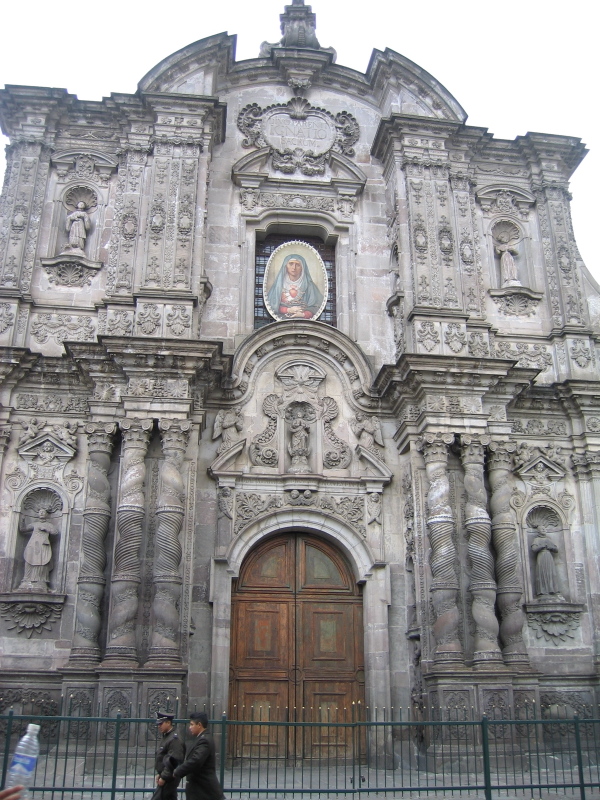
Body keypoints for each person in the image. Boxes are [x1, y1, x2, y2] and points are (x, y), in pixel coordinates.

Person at [173, 712, 225, 800]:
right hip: (199, 790)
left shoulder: (204, 740)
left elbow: (196, 761)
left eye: (192, 724)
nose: (189, 727)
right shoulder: (200, 738)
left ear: (199, 725)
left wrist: (177, 771)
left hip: (205, 790)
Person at [266, 253, 324, 320]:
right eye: (291, 264)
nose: (294, 268)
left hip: (304, 322)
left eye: (298, 265)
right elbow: (271, 305)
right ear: (286, 266)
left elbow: (317, 306)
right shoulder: (278, 285)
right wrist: (287, 310)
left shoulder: (310, 286)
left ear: (302, 267)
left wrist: (303, 314)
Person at [19, 508, 59, 591]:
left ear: (47, 514)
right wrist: (22, 520)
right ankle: (27, 579)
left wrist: (46, 529)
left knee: (42, 562)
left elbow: (55, 532)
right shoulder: (35, 524)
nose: (41, 513)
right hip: (33, 545)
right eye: (40, 512)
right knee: (29, 560)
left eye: (43, 512)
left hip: (43, 546)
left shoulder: (49, 525)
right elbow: (23, 529)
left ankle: (41, 580)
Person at [153, 711, 184, 800]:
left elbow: (174, 760)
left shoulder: (174, 739)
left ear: (168, 723)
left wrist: (164, 777)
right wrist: (160, 774)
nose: (159, 726)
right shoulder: (167, 736)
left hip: (169, 778)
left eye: (161, 724)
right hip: (167, 777)